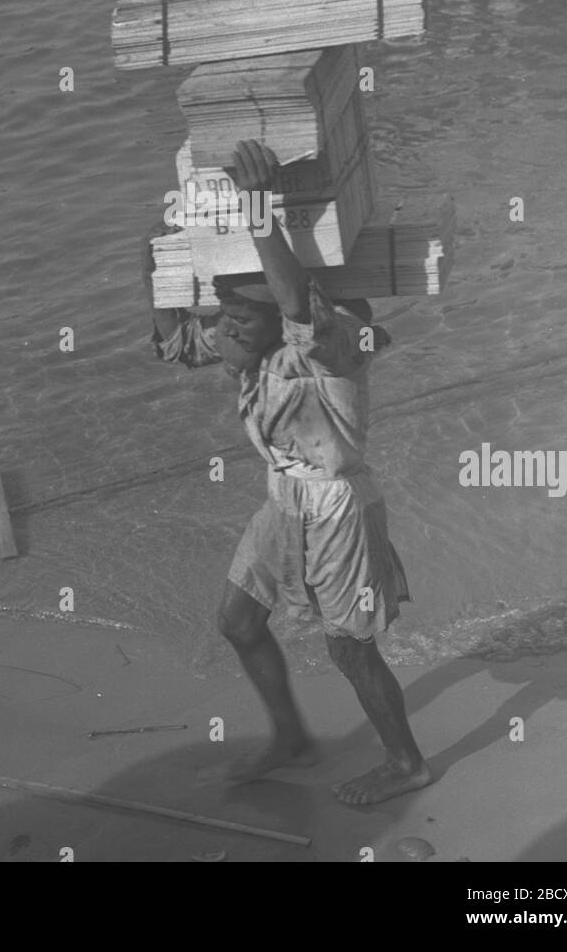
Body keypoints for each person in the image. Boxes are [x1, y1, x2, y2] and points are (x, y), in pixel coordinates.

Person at [144, 140, 430, 804]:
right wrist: (157, 257)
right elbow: (173, 341)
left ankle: (407, 763)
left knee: (350, 651)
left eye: (237, 320)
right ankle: (291, 738)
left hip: (338, 511)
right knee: (239, 621)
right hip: (285, 502)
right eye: (223, 319)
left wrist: (257, 207)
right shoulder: (252, 347)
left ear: (275, 324)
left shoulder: (326, 354)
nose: (222, 331)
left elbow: (298, 301)